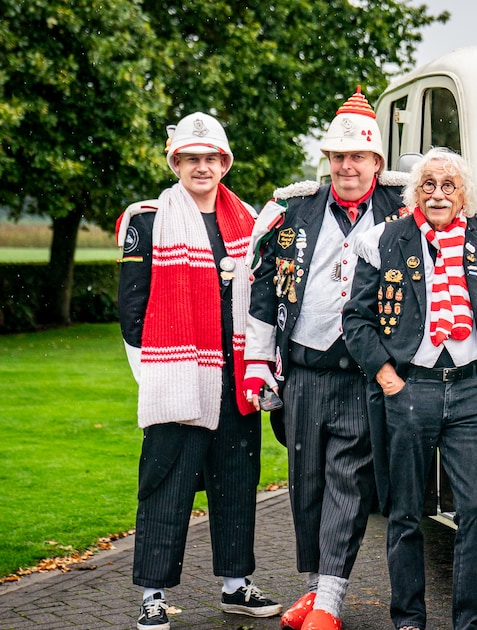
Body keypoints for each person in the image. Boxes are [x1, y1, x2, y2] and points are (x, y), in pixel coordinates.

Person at [342, 147, 477, 630]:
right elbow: (356, 319)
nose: (438, 194)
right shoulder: (385, 240)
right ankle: (409, 619)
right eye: (428, 185)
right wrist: (388, 379)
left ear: (463, 194)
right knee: (406, 512)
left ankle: (468, 622)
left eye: (448, 185)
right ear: (415, 193)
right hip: (411, 390)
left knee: (474, 511)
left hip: (472, 390)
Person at [242, 88, 407, 630]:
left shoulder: (403, 211)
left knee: (348, 483)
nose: (346, 167)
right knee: (306, 483)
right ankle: (317, 591)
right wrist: (259, 363)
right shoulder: (294, 211)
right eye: (338, 157)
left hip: (364, 371)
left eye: (358, 157)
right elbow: (264, 290)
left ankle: (330, 603)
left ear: (377, 163)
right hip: (304, 371)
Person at [117, 112, 282, 630]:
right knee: (165, 483)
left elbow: (260, 297)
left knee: (236, 482)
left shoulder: (247, 219)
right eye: (192, 158)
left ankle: (236, 585)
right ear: (176, 162)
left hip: (234, 375)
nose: (202, 167)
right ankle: (153, 594)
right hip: (178, 373)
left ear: (224, 162)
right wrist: (156, 373)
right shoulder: (147, 220)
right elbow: (132, 308)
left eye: (211, 158)